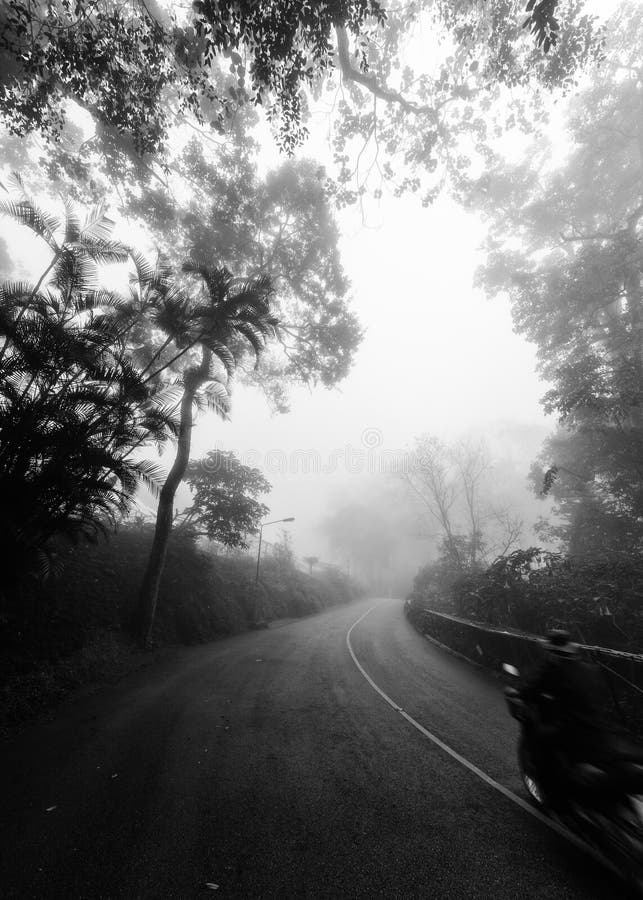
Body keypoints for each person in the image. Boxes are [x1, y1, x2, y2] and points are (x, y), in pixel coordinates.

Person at [520, 629, 610, 811]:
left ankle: (552, 793)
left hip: (570, 727)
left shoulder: (555, 670)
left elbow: (533, 690)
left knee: (541, 738)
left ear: (550, 651)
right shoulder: (591, 669)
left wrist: (520, 693)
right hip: (599, 724)